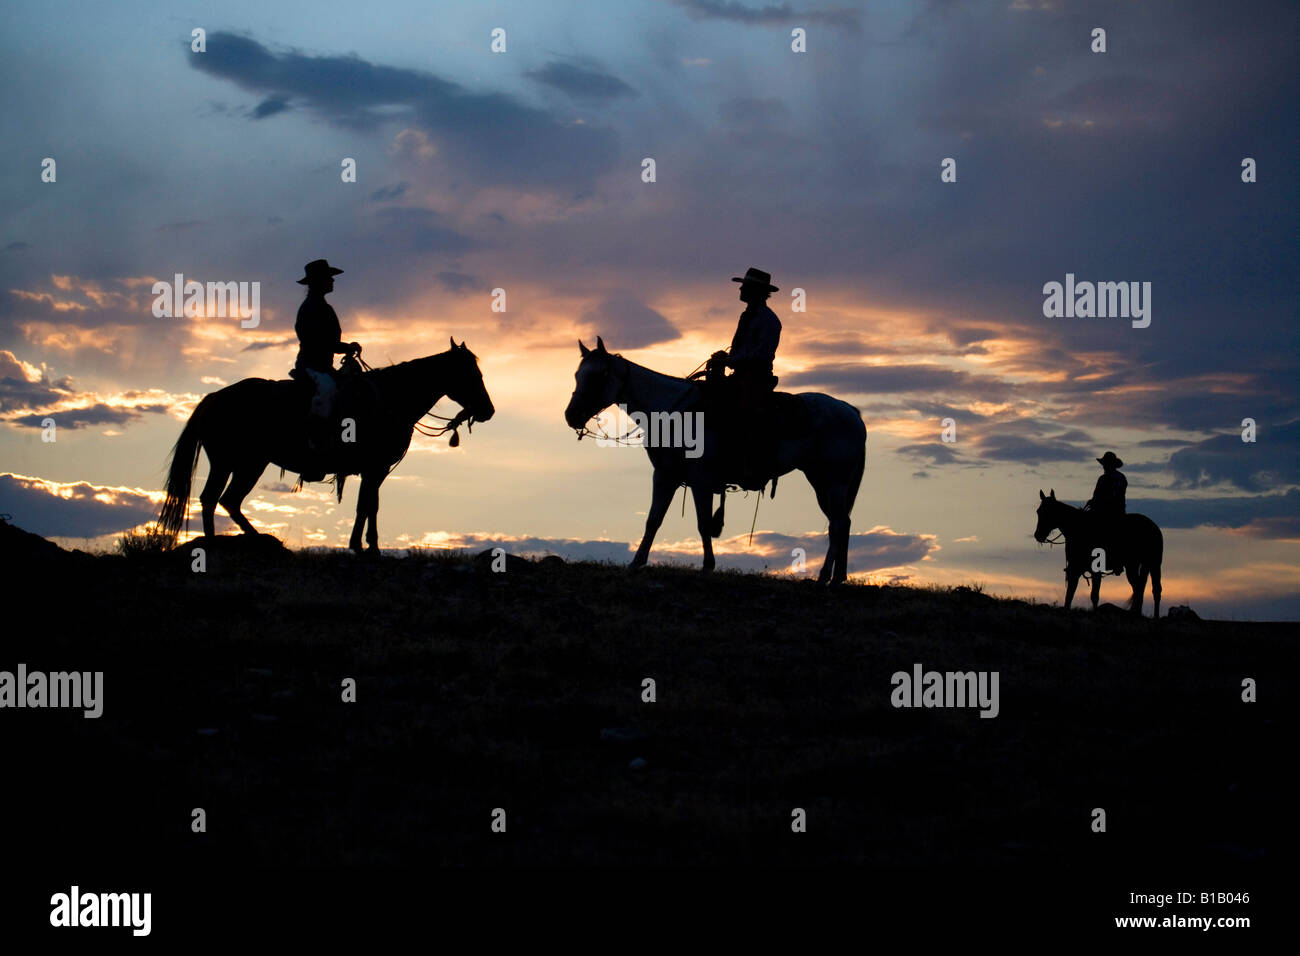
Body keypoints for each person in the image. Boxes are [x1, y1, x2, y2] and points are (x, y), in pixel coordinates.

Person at [706, 268, 781, 488]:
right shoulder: (748, 315)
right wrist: (727, 358)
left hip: (755, 379)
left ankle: (749, 467)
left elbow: (761, 354)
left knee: (743, 414)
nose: (740, 289)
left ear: (757, 291)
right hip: (741, 375)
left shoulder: (768, 320)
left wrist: (730, 360)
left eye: (745, 286)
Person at [293, 259, 359, 481]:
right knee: (329, 393)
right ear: (318, 282)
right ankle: (314, 448)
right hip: (313, 366)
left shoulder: (320, 307)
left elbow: (326, 341)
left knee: (352, 394)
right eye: (328, 277)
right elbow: (317, 341)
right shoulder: (312, 308)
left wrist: (344, 348)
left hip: (322, 365)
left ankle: (347, 444)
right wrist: (344, 347)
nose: (332, 281)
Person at [1086, 451, 1127, 574]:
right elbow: (1096, 494)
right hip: (1099, 511)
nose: (1104, 467)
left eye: (1106, 464)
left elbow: (1115, 496)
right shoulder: (1102, 479)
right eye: (1104, 464)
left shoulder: (1119, 478)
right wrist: (1092, 501)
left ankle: (1117, 562)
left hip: (1114, 512)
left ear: (1112, 465)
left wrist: (1099, 502)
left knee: (1113, 533)